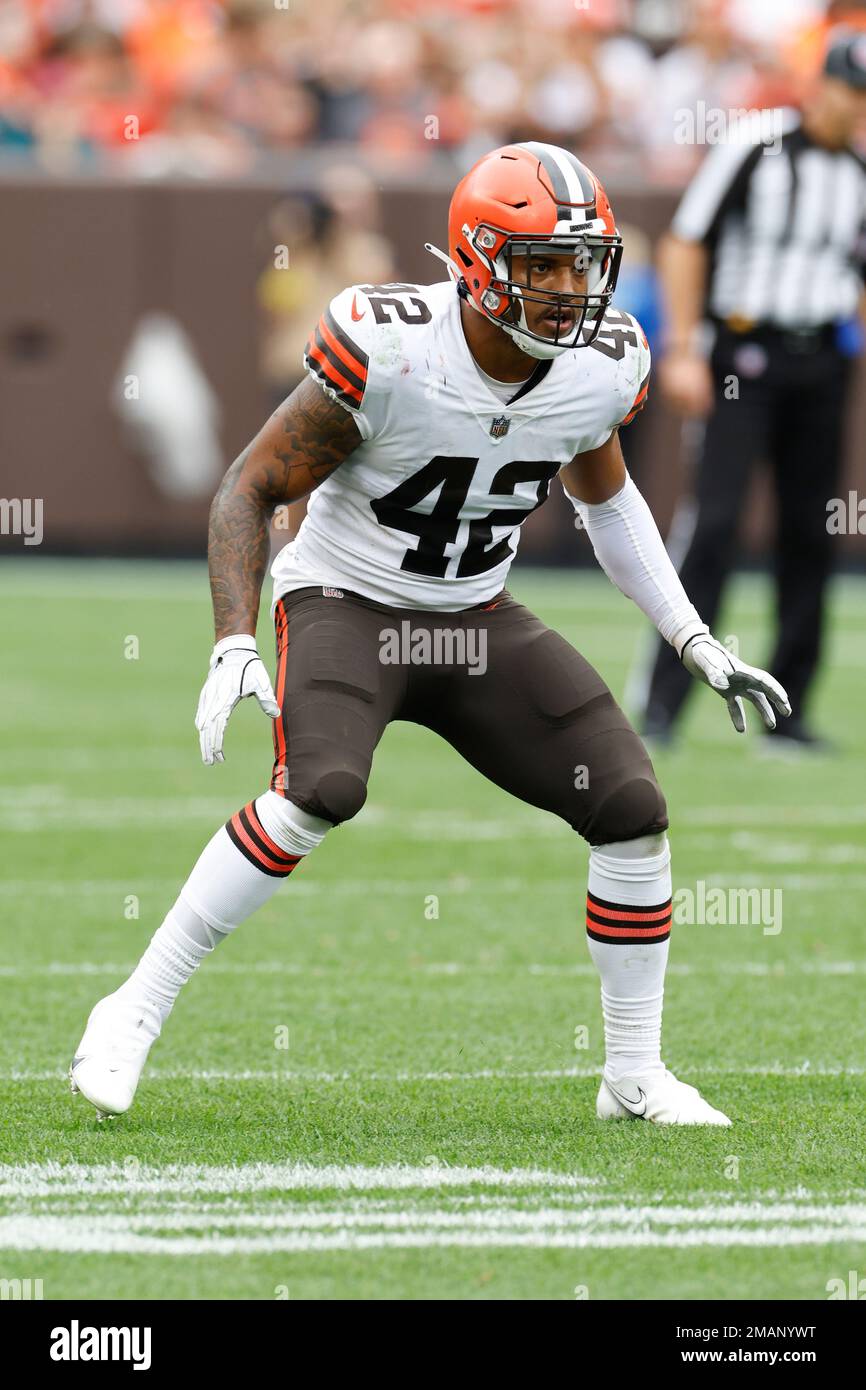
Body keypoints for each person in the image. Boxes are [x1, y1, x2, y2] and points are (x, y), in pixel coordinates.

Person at [70, 141, 789, 1127]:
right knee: (318, 791)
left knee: (628, 802)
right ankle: (131, 1010)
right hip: (346, 602)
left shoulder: (598, 364)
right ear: (477, 260)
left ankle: (631, 1072)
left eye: (579, 262)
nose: (566, 288)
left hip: (472, 617)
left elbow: (608, 504)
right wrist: (233, 642)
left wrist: (690, 638)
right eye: (539, 264)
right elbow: (249, 486)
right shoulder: (389, 343)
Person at [642, 30, 866, 749]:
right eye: (845, 90)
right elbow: (686, 240)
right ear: (816, 86)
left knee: (811, 532)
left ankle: (789, 712)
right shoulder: (758, 143)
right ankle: (663, 700)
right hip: (744, 353)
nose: (850, 108)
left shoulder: (858, 170)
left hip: (822, 360)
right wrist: (682, 347)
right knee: (716, 522)